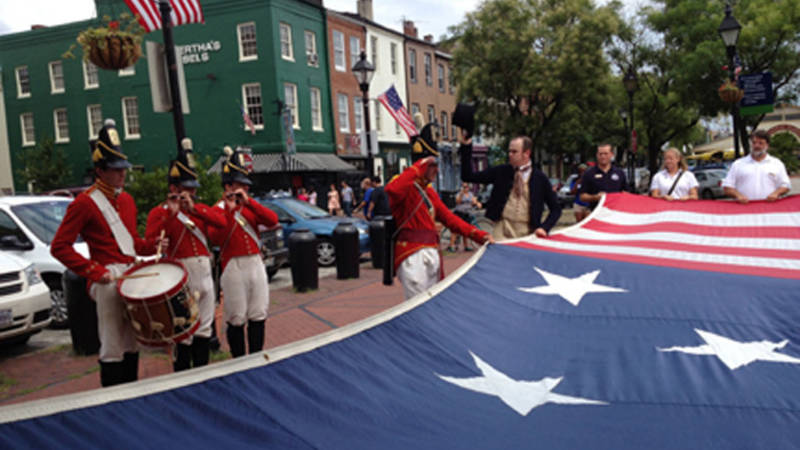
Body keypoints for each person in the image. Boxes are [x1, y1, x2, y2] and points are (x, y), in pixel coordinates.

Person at [51, 120, 166, 387]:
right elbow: (59, 246)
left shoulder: (126, 200)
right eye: (115, 170)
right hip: (106, 277)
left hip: (129, 273)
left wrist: (154, 246)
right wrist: (94, 271)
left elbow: (133, 243)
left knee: (133, 340)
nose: (122, 175)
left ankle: (131, 392)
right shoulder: (85, 203)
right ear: (100, 171)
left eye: (123, 169)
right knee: (112, 342)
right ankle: (112, 397)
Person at [145, 138, 226, 372]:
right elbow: (152, 244)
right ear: (174, 189)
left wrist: (193, 208)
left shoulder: (198, 211)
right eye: (187, 188)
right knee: (184, 333)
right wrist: (171, 214)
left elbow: (220, 222)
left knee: (204, 329)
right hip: (182, 276)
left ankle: (203, 372)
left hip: (204, 273)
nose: (193, 192)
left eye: (193, 188)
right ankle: (183, 374)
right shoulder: (159, 213)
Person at [386, 156, 493, 299]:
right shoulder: (405, 188)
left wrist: (478, 235)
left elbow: (450, 219)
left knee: (432, 303)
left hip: (432, 252)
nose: (437, 170)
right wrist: (418, 167)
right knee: (417, 304)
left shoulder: (429, 193)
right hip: (412, 253)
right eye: (432, 165)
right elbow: (392, 190)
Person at [208, 146, 279, 358]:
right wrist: (230, 212)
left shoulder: (250, 206)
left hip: (255, 261)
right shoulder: (217, 210)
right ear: (228, 185)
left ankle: (257, 355)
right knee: (237, 316)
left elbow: (272, 220)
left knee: (258, 312)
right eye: (240, 185)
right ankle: (238, 359)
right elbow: (215, 237)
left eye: (246, 186)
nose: (244, 190)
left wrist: (250, 203)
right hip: (233, 265)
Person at [460, 133, 561, 240]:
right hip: (502, 229)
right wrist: (466, 146)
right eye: (509, 151)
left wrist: (544, 228)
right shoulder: (501, 171)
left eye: (514, 152)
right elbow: (468, 176)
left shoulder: (540, 178)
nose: (510, 154)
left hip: (527, 233)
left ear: (526, 153)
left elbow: (556, 209)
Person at [722, 130, 790, 203]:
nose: (756, 146)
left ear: (767, 145)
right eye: (754, 143)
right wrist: (738, 195)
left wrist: (776, 193)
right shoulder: (738, 164)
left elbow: (786, 185)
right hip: (744, 209)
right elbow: (727, 187)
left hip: (770, 209)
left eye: (761, 143)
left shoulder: (777, 164)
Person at [579, 143, 628, 210]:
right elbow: (582, 197)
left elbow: (626, 193)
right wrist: (595, 197)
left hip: (616, 212)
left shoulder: (619, 173)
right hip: (597, 213)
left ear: (611, 155)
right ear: (597, 155)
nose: (603, 156)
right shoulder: (589, 173)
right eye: (600, 154)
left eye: (606, 153)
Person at [448, 182, 482, 252]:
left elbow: (474, 201)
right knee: (455, 230)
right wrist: (461, 194)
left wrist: (477, 203)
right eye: (464, 187)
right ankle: (451, 246)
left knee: (465, 230)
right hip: (459, 213)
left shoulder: (470, 194)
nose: (466, 188)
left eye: (467, 187)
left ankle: (466, 246)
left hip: (467, 213)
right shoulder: (459, 194)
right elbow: (457, 202)